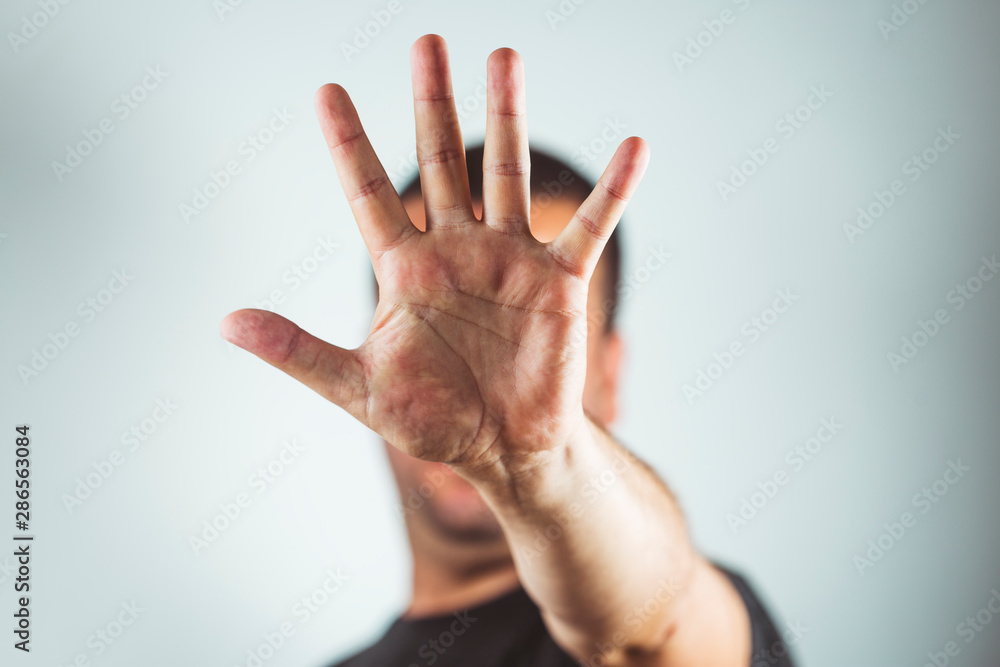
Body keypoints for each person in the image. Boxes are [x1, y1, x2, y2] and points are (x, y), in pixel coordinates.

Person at [220, 34, 796, 667]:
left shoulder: (671, 627)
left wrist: (531, 466)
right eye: (436, 329)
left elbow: (656, 626)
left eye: (546, 339)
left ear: (609, 372)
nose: (480, 375)